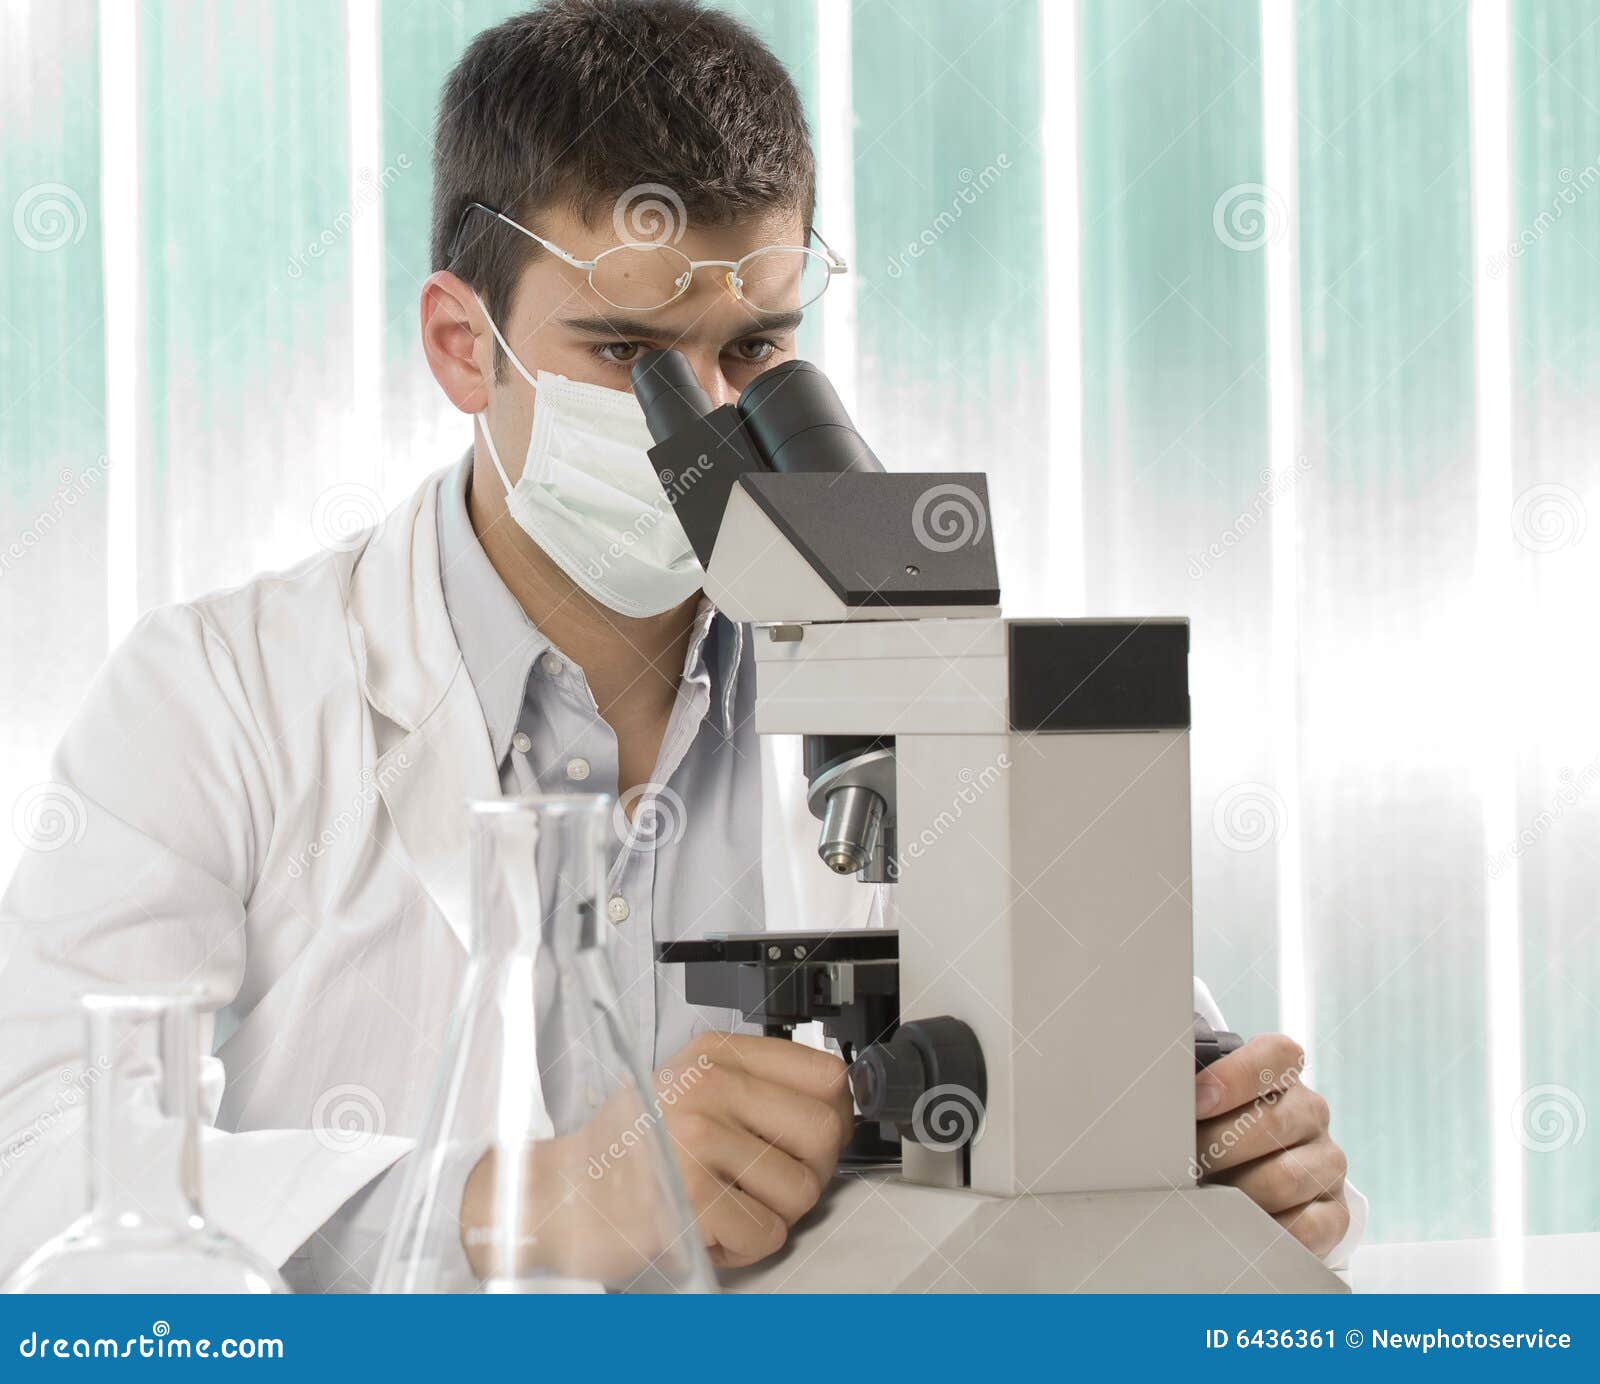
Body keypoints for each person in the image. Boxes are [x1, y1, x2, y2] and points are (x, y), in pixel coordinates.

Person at [0, 0, 1361, 1289]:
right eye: (629, 354)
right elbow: (36, 1159)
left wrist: (1222, 1163)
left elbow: (1132, 1059)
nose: (704, 420)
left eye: (758, 347)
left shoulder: (898, 666)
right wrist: (527, 1206)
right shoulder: (219, 695)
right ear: (464, 348)